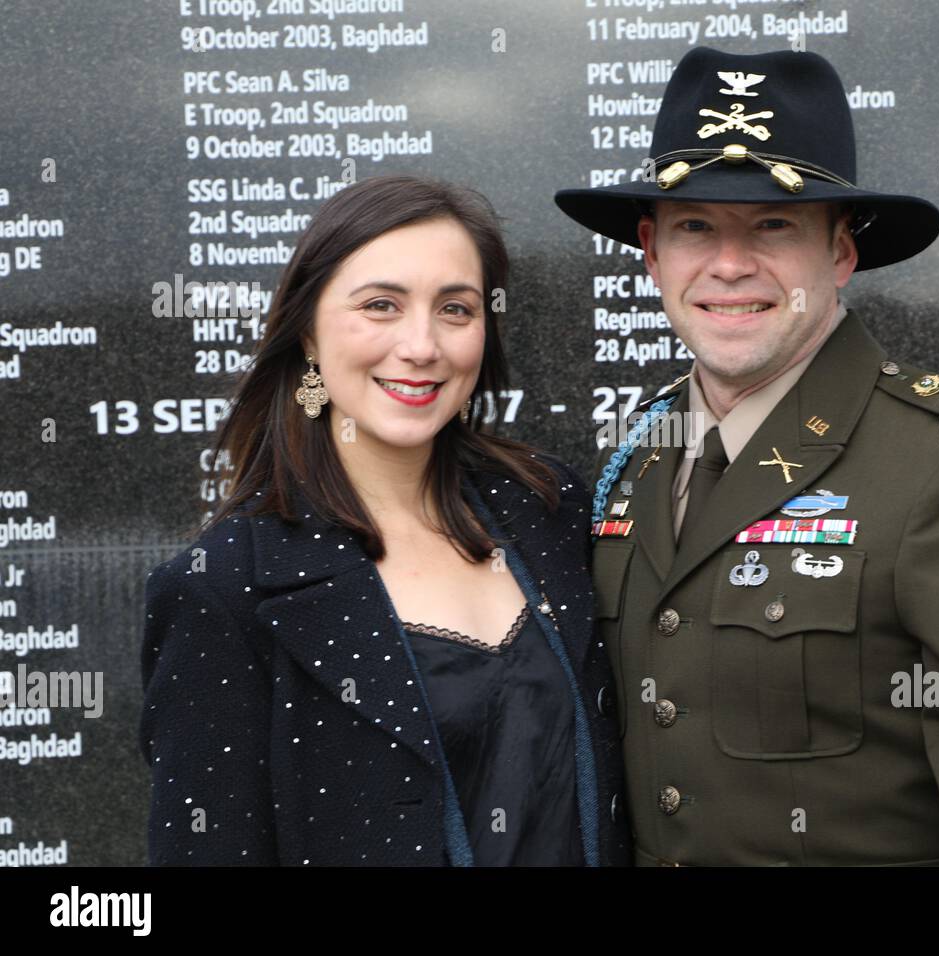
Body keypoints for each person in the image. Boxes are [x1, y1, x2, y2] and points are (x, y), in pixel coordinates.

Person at [554, 47, 939, 865]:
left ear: (842, 252)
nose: (730, 263)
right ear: (651, 251)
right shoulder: (641, 448)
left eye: (773, 226)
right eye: (695, 227)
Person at [139, 175, 630, 866]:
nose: (422, 345)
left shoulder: (549, 508)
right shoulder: (224, 588)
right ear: (307, 329)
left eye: (455, 309)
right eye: (380, 305)